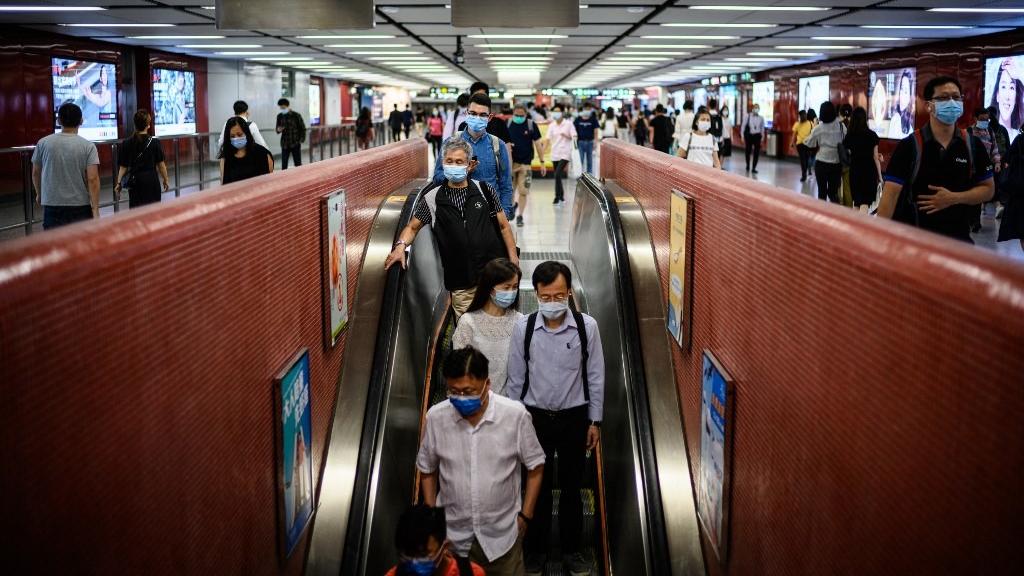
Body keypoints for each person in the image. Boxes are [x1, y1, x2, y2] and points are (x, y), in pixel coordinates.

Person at [505, 261, 605, 576]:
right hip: (534, 419)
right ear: (536, 294)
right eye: (546, 297)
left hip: (575, 418)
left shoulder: (586, 327)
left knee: (573, 487)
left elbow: (595, 375)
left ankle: (573, 552)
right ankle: (536, 551)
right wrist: (514, 422)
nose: (552, 302)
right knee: (538, 486)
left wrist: (594, 421)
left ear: (569, 292)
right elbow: (516, 378)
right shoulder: (524, 327)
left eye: (559, 296)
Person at [417, 346, 546, 576]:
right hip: (453, 540)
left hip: (502, 540)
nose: (461, 398)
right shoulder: (436, 417)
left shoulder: (515, 416)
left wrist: (526, 515)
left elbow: (536, 465)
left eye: (468, 391)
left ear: (487, 384)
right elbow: (427, 468)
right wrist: (432, 521)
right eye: (454, 392)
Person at [389, 137, 518, 318]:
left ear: (470, 165)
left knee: (497, 324)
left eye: (459, 162)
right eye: (449, 161)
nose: (453, 165)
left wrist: (513, 260)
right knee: (467, 330)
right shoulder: (432, 199)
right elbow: (412, 227)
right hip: (461, 283)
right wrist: (400, 246)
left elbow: (504, 226)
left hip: (494, 278)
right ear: (443, 163)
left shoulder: (485, 190)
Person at [878, 76, 995, 242]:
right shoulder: (910, 146)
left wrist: (954, 198)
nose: (952, 102)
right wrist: (879, 239)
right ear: (929, 106)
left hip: (958, 241)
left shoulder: (973, 145)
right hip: (915, 240)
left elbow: (988, 189)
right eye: (943, 98)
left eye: (956, 97)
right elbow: (890, 196)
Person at [432, 92, 515, 219]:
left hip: (489, 215)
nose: (477, 118)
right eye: (473, 113)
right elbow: (437, 178)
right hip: (456, 214)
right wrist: (459, 173)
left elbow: (506, 185)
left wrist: (505, 215)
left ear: (490, 117)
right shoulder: (450, 143)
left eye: (482, 115)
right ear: (466, 113)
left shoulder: (498, 146)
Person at [452, 258, 524, 396]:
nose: (511, 292)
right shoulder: (468, 322)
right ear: (490, 288)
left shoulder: (520, 321)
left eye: (515, 287)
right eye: (506, 287)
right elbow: (458, 370)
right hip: (475, 400)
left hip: (509, 402)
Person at [31, 102, 100, 229]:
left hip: (52, 204)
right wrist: (95, 209)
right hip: (80, 206)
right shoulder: (88, 146)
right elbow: (93, 179)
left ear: (58, 121)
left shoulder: (43, 143)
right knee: (79, 240)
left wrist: (39, 194)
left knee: (54, 240)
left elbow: (35, 172)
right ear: (81, 121)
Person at [385, 504, 485, 576]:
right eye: (409, 553)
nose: (415, 561)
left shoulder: (471, 573)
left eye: (423, 554)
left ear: (445, 547)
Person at [115, 109, 170, 209]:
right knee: (152, 211)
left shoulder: (126, 143)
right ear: (148, 125)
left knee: (137, 211)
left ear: (135, 125)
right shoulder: (155, 142)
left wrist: (118, 183)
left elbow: (123, 167)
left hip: (135, 182)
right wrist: (165, 179)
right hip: (151, 181)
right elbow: (161, 165)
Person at [507, 103, 547, 227]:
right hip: (511, 165)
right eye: (516, 115)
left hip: (526, 165)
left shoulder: (531, 125)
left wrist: (542, 162)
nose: (518, 117)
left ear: (526, 114)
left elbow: (538, 144)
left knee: (523, 191)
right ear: (513, 113)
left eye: (521, 115)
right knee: (509, 191)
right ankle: (512, 207)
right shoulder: (508, 124)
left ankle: (520, 216)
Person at [804, 101, 845, 204]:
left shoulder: (818, 128)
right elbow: (846, 140)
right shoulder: (841, 126)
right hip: (836, 164)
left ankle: (822, 213)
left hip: (821, 164)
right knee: (833, 193)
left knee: (822, 193)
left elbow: (809, 143)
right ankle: (835, 211)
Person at [968, 107, 1001, 232]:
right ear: (975, 118)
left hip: (985, 169)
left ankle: (975, 222)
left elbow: (994, 149)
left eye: (987, 120)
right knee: (971, 195)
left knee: (979, 195)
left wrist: (997, 163)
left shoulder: (990, 132)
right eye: (982, 119)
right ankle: (972, 221)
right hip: (971, 169)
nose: (985, 122)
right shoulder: (969, 132)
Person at [843, 107, 882, 212]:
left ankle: (854, 222)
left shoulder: (849, 136)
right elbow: (875, 157)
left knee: (856, 202)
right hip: (868, 173)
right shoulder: (872, 135)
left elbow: (850, 152)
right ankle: (861, 223)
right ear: (865, 119)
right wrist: (880, 177)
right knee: (865, 202)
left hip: (855, 172)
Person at [220, 116, 274, 185]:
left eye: (239, 134)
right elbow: (224, 185)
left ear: (246, 133)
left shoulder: (263, 154)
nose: (236, 138)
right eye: (232, 136)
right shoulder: (226, 158)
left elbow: (269, 183)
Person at [997, 133, 1024, 249]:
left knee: (1022, 229)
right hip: (1019, 191)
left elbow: (1007, 157)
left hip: (1020, 191)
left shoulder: (1020, 139)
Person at [547, 104, 577, 205]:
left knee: (557, 174)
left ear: (562, 113)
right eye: (554, 111)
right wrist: (542, 149)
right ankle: (560, 196)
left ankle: (558, 197)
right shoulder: (551, 125)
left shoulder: (568, 124)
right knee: (557, 176)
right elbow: (548, 139)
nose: (556, 113)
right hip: (555, 153)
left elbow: (575, 136)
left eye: (558, 111)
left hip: (565, 153)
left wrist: (567, 135)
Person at [989, 58, 1024, 144]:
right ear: (997, 95)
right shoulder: (987, 134)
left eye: (1012, 88)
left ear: (1016, 98)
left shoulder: (1019, 137)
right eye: (1003, 87)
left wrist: (1020, 75)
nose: (1007, 97)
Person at [275, 98, 306, 169]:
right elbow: (277, 129)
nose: (282, 109)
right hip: (284, 144)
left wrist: (301, 139)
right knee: (284, 165)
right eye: (281, 108)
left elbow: (303, 128)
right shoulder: (279, 116)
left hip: (295, 143)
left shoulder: (296, 115)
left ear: (287, 106)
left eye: (283, 107)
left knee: (298, 164)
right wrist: (279, 130)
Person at [573, 102, 600, 174]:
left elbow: (596, 131)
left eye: (589, 109)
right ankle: (580, 175)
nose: (587, 110)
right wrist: (574, 142)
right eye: (586, 109)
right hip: (580, 142)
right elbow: (574, 131)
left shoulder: (593, 119)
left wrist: (595, 142)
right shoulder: (578, 119)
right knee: (580, 160)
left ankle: (589, 175)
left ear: (591, 110)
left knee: (590, 161)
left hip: (590, 142)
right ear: (583, 109)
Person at [887, 70, 916, 140]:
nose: (902, 94)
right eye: (901, 89)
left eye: (906, 91)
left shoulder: (909, 124)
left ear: (910, 96)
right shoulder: (896, 118)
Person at [740, 103, 766, 173]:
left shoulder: (761, 118)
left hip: (757, 136)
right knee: (748, 151)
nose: (756, 109)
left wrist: (762, 137)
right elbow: (743, 126)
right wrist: (742, 136)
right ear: (752, 108)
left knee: (756, 152)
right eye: (755, 107)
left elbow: (762, 128)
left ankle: (754, 167)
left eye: (757, 108)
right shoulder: (748, 116)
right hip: (749, 136)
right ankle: (748, 165)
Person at [791, 110, 814, 182]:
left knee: (806, 159)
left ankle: (805, 172)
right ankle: (804, 175)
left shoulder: (810, 123)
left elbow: (813, 133)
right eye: (801, 116)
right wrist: (792, 143)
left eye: (804, 115)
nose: (803, 117)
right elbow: (794, 134)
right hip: (800, 144)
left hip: (808, 144)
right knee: (803, 160)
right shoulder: (797, 124)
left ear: (806, 115)